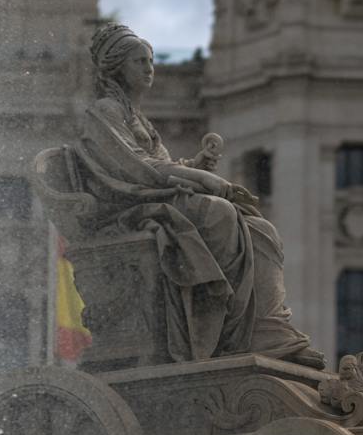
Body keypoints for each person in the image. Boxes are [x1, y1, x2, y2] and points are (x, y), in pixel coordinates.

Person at [54, 22, 323, 368]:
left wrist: (195, 165)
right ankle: (223, 331)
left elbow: (159, 164)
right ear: (117, 66)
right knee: (220, 214)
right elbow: (137, 170)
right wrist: (200, 179)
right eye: (140, 62)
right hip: (129, 210)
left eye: (150, 61)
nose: (149, 69)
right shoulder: (105, 113)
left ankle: (265, 328)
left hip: (154, 199)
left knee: (260, 229)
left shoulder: (136, 117)